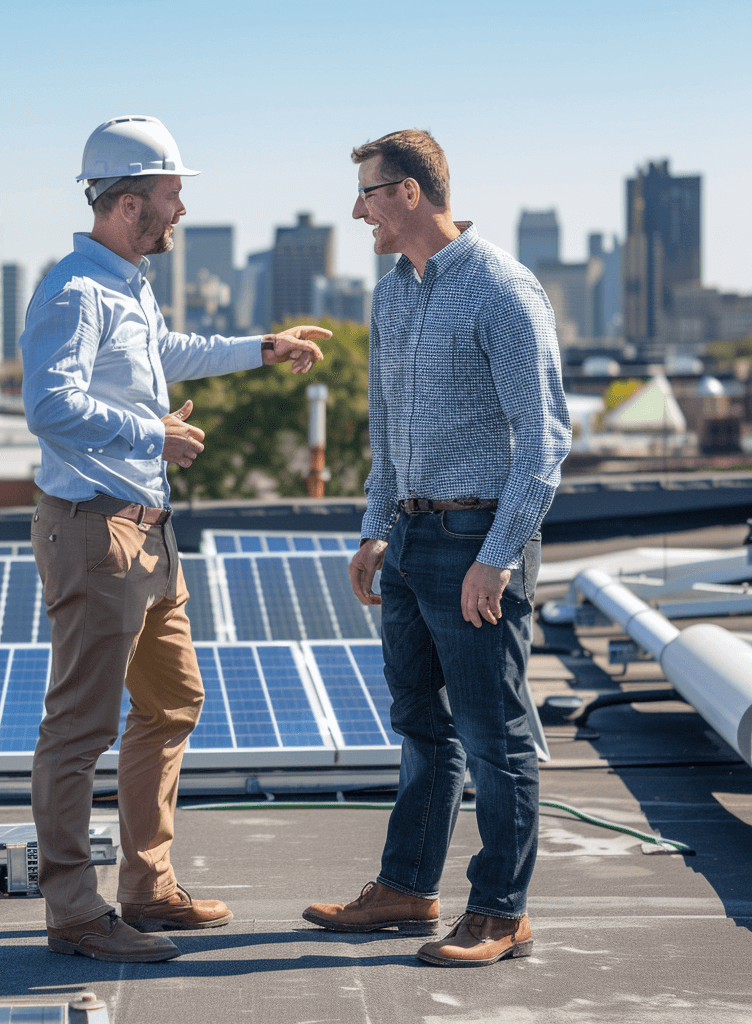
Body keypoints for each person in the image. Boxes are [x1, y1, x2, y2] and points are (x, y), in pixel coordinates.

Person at [21, 115, 330, 963]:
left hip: (150, 535)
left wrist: (262, 350)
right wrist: (148, 437)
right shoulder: (74, 290)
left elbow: (163, 353)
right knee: (79, 731)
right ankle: (77, 916)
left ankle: (146, 888)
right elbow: (47, 406)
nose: (181, 208)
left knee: (173, 703)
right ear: (128, 204)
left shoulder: (127, 282)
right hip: (97, 531)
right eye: (170, 194)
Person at [302, 130, 570, 967]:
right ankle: (409, 890)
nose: (359, 212)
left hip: (477, 541)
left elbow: (546, 439)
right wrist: (374, 529)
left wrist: (497, 554)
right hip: (413, 538)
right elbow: (385, 429)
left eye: (370, 195)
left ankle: (500, 913)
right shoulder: (393, 292)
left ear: (412, 194)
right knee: (421, 724)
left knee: (496, 738)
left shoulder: (503, 290)